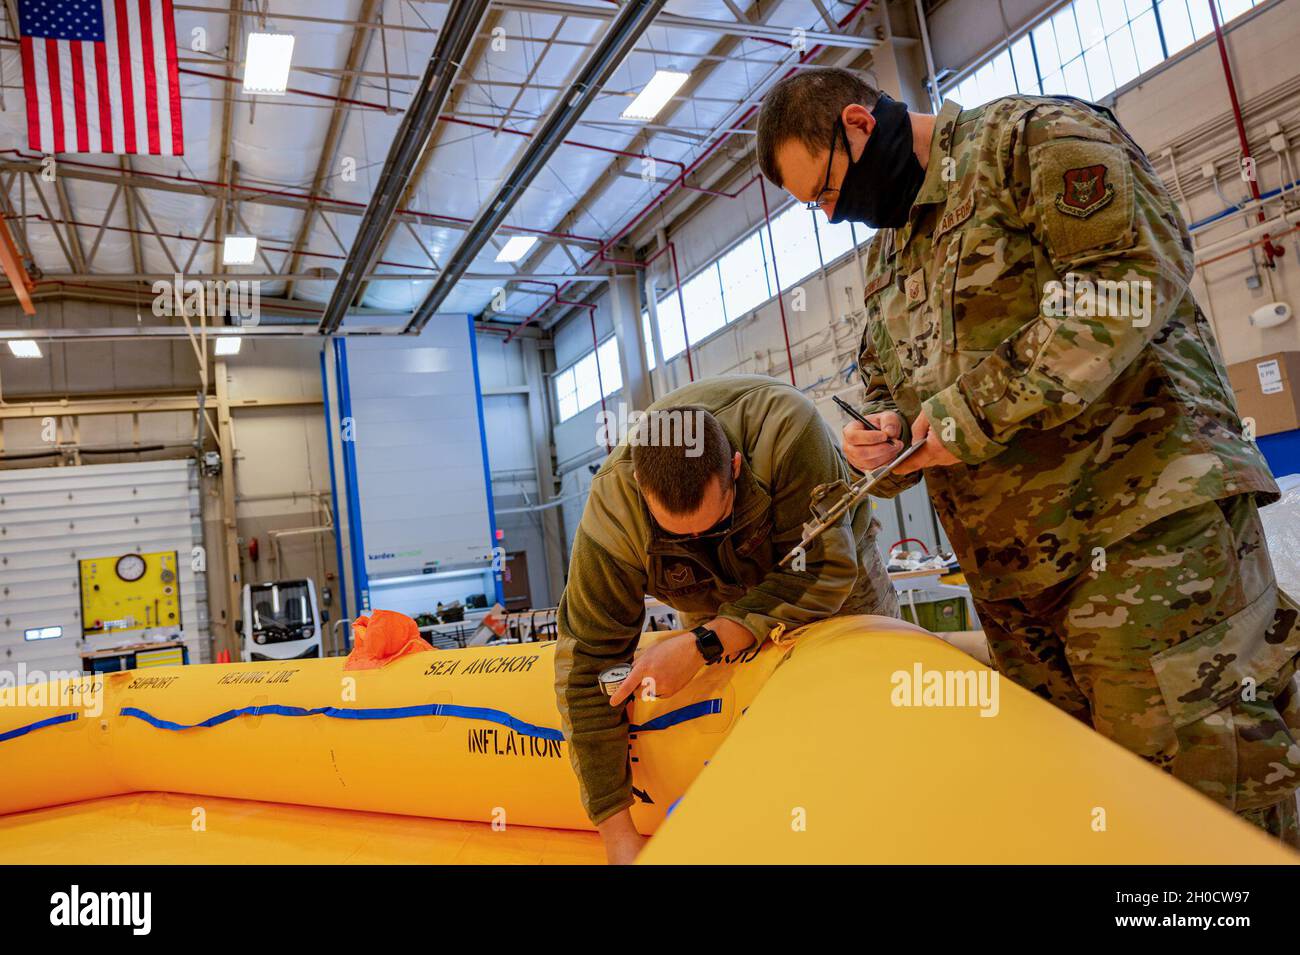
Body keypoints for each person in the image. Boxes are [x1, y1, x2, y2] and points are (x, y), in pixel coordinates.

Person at [756, 66, 1300, 846]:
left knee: (1208, 807)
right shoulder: (887, 257)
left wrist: (967, 414)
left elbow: (1130, 279)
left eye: (827, 190)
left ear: (858, 123)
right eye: (815, 207)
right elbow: (887, 382)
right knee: (1090, 815)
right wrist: (877, 432)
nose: (834, 215)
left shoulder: (1029, 143)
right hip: (1014, 586)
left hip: (1145, 542)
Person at [554, 374, 898, 863]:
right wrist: (620, 837)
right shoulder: (613, 513)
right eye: (680, 533)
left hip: (822, 572)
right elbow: (587, 668)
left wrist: (702, 644)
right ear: (639, 490)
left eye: (712, 523)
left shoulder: (787, 432)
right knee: (728, 727)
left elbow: (824, 572)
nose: (699, 540)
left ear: (736, 468)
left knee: (868, 709)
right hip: (705, 597)